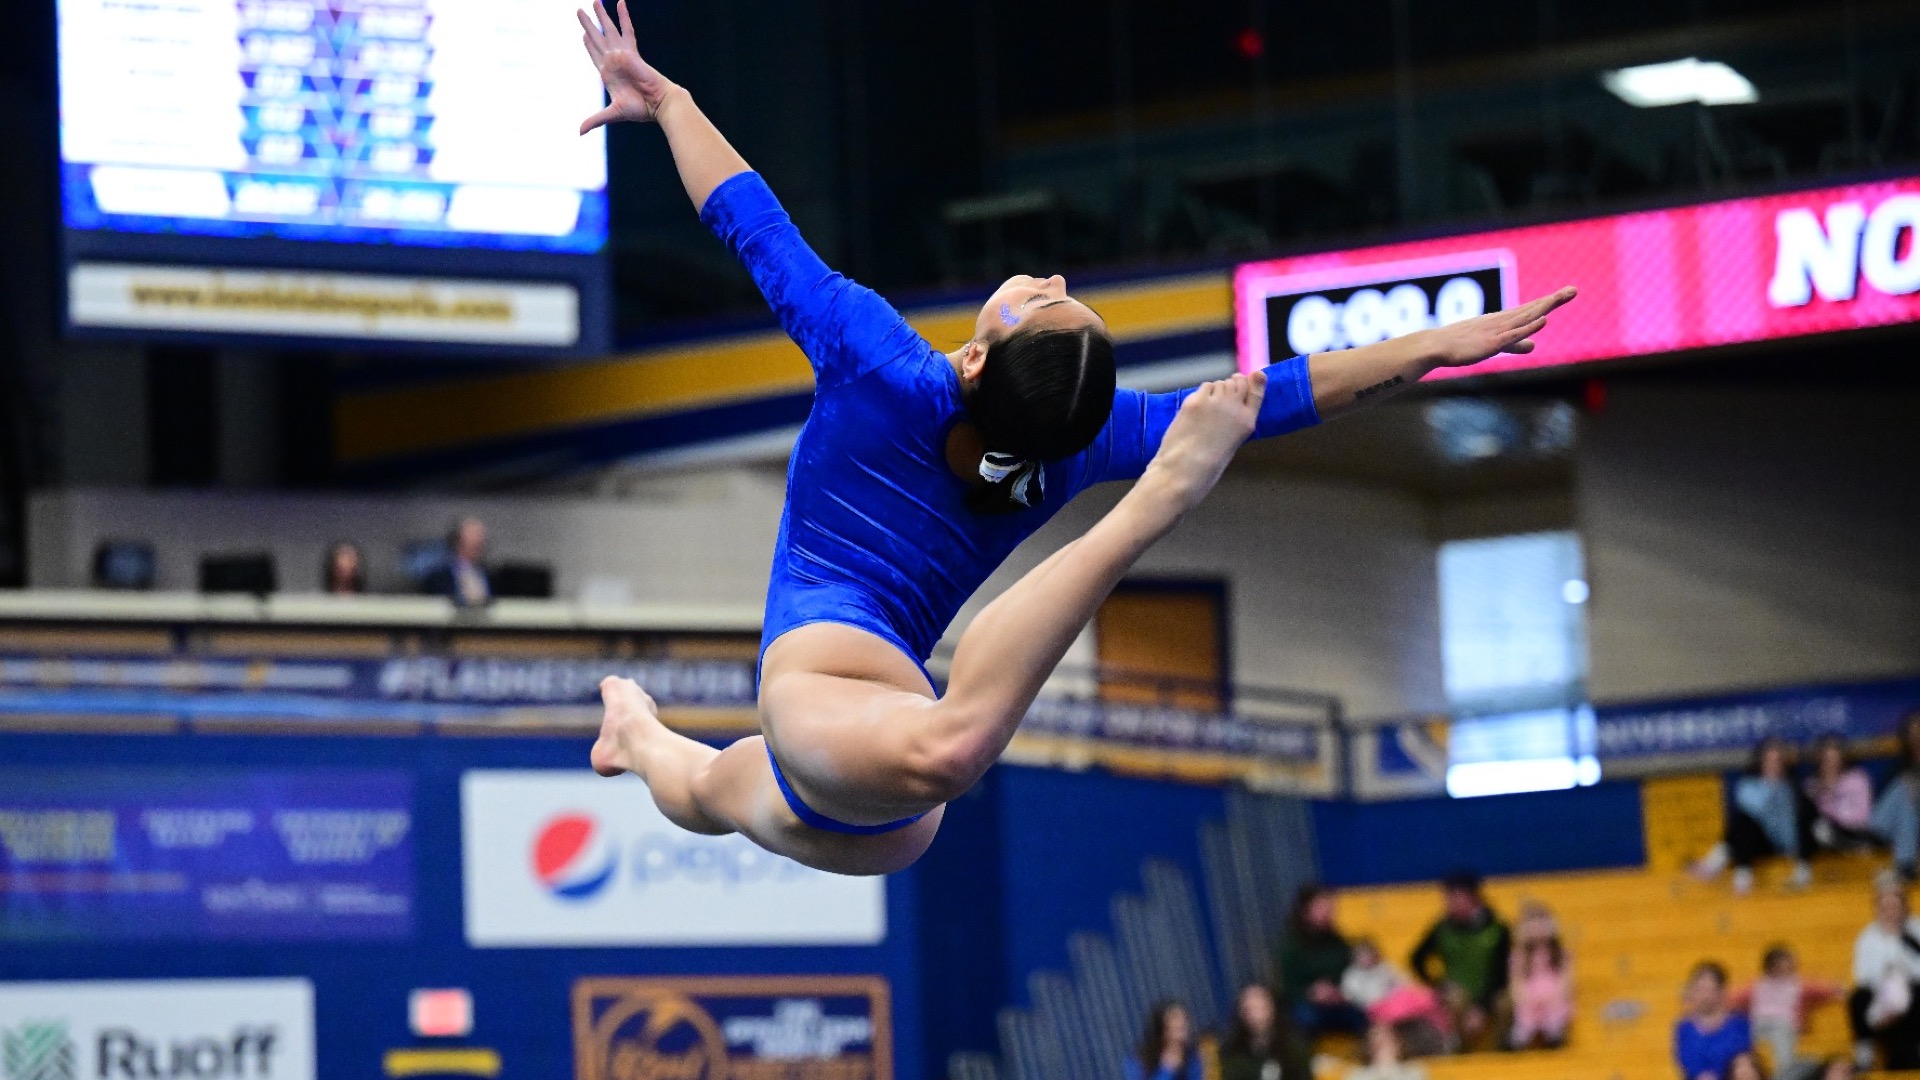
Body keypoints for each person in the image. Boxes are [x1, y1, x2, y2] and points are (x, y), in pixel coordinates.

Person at [574, 0, 1579, 877]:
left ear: (977, 360)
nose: (1051, 281)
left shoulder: (877, 361)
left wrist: (670, 103)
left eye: (1051, 303)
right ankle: (636, 732)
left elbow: (753, 221)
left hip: (826, 701)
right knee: (709, 788)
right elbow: (1278, 397)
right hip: (875, 755)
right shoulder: (1080, 442)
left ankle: (1152, 514)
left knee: (879, 764)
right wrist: (1430, 346)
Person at [1410, 872, 1513, 1049]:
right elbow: (1417, 958)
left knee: (1506, 1001)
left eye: (1454, 897)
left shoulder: (1497, 929)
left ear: (1472, 898)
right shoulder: (1441, 928)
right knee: (1454, 997)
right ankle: (1458, 1048)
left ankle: (1503, 1050)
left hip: (1489, 992)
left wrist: (1481, 1007)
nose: (1449, 903)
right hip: (1457, 993)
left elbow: (1502, 973)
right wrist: (1437, 985)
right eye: (1447, 898)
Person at [1695, 739, 1812, 895]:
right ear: (1761, 762)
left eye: (1777, 760)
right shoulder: (1748, 784)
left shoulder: (1792, 787)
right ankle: (1740, 876)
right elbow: (1755, 811)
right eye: (1769, 760)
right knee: (1744, 822)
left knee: (1806, 813)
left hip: (1784, 842)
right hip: (1757, 841)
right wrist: (1771, 786)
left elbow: (1793, 821)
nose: (1774, 765)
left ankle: (1715, 862)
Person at [1731, 944, 1842, 1073]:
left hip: (1784, 1025)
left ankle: (1784, 1072)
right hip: (1759, 1024)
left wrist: (1836, 990)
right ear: (1773, 964)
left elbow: (1819, 990)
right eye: (1784, 961)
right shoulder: (1758, 984)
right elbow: (1734, 998)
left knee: (1783, 1033)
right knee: (1739, 1033)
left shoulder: (1796, 984)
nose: (1789, 964)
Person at [1849, 872, 1920, 1070]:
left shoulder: (1916, 929)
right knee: (1858, 998)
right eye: (1885, 906)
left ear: (1904, 906)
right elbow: (1862, 975)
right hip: (1879, 996)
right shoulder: (1867, 937)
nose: (1890, 911)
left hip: (1912, 995)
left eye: (1895, 905)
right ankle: (1865, 1055)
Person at [1277, 885, 1366, 1038]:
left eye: (1330, 908)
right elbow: (1285, 987)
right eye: (1320, 907)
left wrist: (1337, 992)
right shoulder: (1291, 945)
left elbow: (1350, 974)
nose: (1327, 913)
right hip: (1306, 1005)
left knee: (1363, 1017)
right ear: (1305, 911)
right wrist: (1310, 993)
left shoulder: (1338, 942)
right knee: (1304, 1018)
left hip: (1338, 1003)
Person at [1507, 906, 1573, 1050]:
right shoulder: (1519, 956)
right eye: (1533, 923)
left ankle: (1555, 1038)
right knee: (1524, 1018)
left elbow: (1566, 982)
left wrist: (1551, 998)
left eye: (1542, 922)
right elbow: (1516, 984)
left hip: (1554, 997)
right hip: (1529, 998)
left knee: (1556, 1015)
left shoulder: (1560, 954)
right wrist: (1528, 999)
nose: (1538, 927)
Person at [1676, 961, 1755, 1080]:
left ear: (1721, 991)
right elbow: (1688, 1062)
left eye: (1709, 989)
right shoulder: (1685, 1028)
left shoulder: (1739, 1024)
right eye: (1699, 989)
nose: (1704, 996)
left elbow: (1742, 1058)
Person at [1217, 983, 1311, 1080]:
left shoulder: (1294, 1046)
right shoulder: (1232, 1054)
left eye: (1261, 1008)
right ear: (1240, 1014)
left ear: (1273, 1008)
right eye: (1249, 1010)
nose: (1256, 1017)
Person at [1806, 736, 1877, 855]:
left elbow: (1864, 815)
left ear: (1842, 760)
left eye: (1835, 759)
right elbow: (1813, 818)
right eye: (1826, 760)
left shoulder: (1857, 778)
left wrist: (1835, 790)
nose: (1830, 764)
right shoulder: (1812, 785)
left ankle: (1851, 845)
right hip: (1827, 835)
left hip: (1855, 831)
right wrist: (1823, 792)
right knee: (1820, 829)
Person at [1871, 714, 1920, 882]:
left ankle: (1872, 833)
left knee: (1906, 790)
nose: (1916, 737)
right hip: (1899, 825)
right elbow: (1887, 799)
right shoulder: (1898, 764)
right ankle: (1905, 864)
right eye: (1912, 733)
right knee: (1903, 789)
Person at [422, 517, 491, 607]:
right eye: (475, 536)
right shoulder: (438, 577)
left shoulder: (489, 575)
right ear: (458, 541)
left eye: (481, 538)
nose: (480, 541)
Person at [1127, 1001, 1203, 1080]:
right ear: (1161, 1032)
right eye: (1176, 1030)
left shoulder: (1192, 1056)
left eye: (1184, 1028)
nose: (1182, 1036)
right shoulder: (1137, 1060)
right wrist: (1167, 1069)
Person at [1342, 939, 1407, 1014]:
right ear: (1355, 957)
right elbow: (1350, 995)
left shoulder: (1388, 967)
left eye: (1368, 954)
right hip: (1364, 1009)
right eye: (1361, 955)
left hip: (1391, 1005)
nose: (1365, 958)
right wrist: (1368, 1005)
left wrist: (1389, 1000)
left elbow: (1402, 984)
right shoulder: (1351, 974)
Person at [1347, 1024, 1427, 1080]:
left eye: (1385, 1040)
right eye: (1375, 1042)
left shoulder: (1413, 1073)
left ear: (1398, 1044)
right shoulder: (1358, 1075)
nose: (1379, 1044)